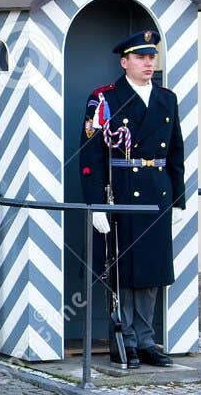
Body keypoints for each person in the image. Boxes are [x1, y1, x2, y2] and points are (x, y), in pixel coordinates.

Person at [79, 27, 186, 369]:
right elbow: (90, 155)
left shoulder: (167, 98)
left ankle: (145, 339)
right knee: (124, 268)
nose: (148, 63)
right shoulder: (104, 98)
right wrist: (96, 203)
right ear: (124, 62)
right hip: (122, 190)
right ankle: (122, 338)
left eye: (152, 57)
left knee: (153, 269)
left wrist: (178, 199)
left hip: (156, 192)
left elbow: (176, 152)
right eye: (140, 57)